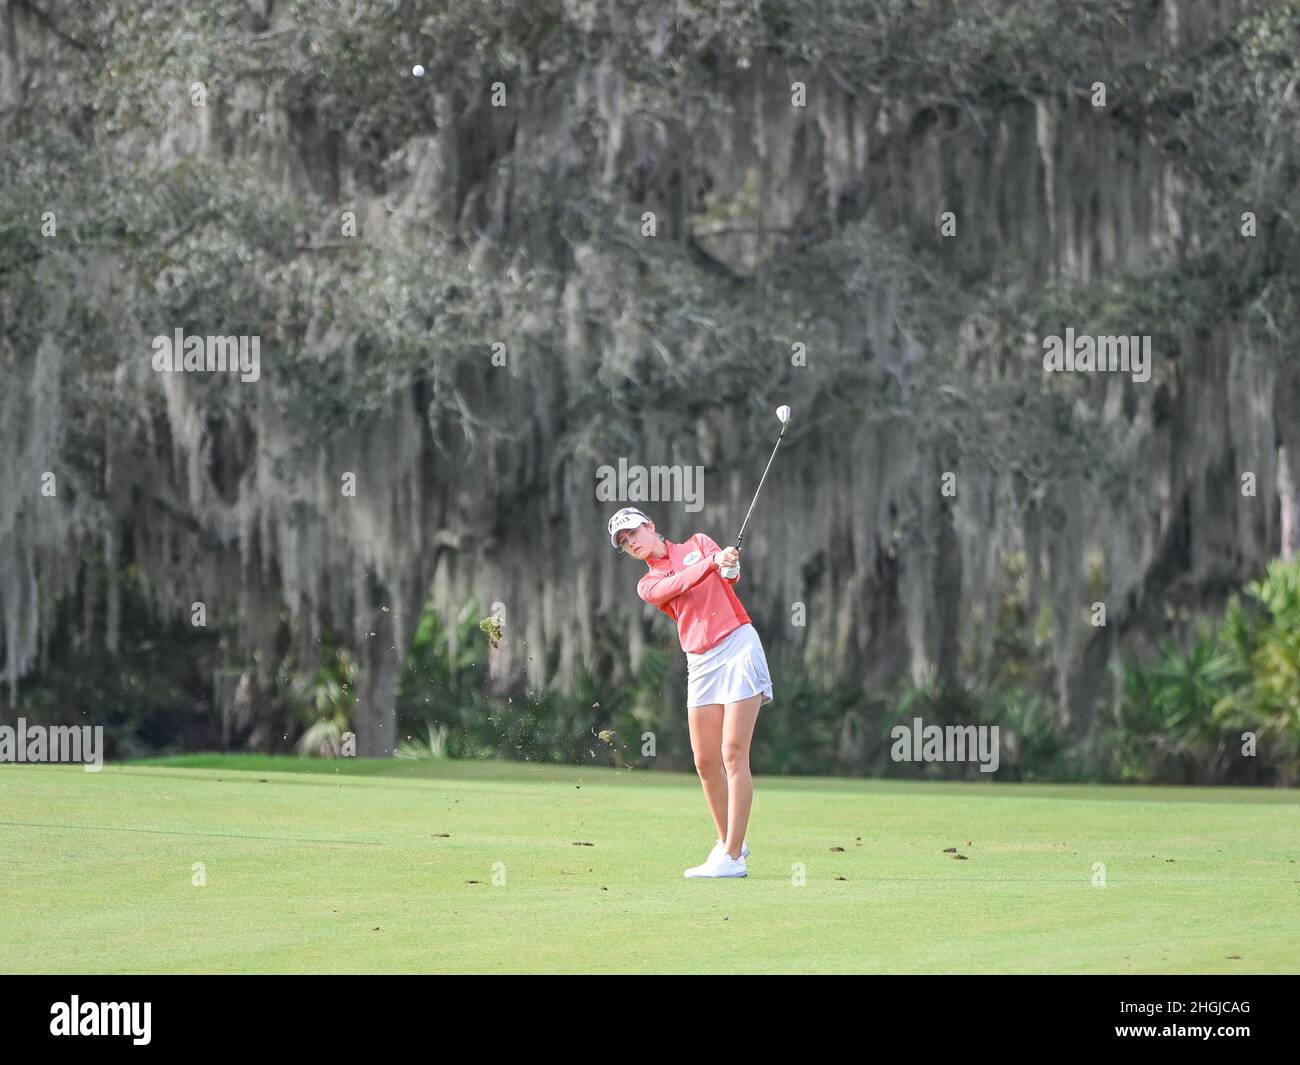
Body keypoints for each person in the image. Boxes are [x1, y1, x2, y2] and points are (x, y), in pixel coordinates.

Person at [608, 506, 773, 878]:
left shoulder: (698, 542)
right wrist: (713, 562)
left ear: (650, 526)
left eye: (633, 533)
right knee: (704, 762)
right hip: (700, 662)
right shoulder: (647, 585)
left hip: (737, 645)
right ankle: (731, 841)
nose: (631, 543)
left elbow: (729, 577)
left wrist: (727, 562)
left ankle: (732, 857)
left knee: (732, 752)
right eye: (623, 542)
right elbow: (680, 584)